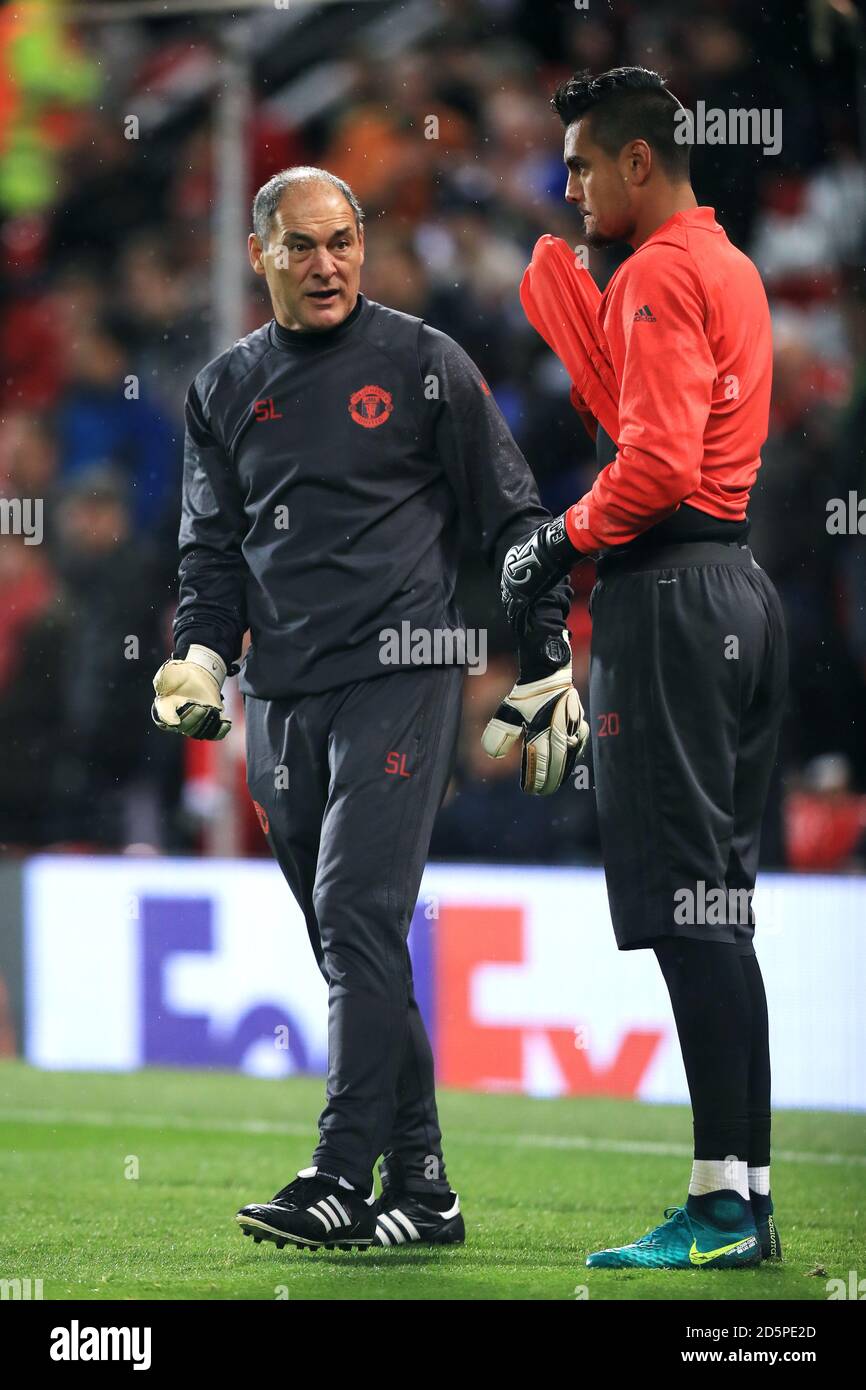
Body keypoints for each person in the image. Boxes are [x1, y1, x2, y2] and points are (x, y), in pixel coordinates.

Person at [151, 166, 588, 1252]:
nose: (326, 262)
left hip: (404, 674)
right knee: (355, 943)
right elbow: (210, 553)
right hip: (283, 701)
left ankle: (340, 1174)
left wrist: (543, 665)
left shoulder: (425, 363)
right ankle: (425, 1188)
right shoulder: (221, 390)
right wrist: (202, 658)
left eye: (341, 239)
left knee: (353, 916)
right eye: (300, 245)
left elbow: (515, 516)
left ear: (362, 242)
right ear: (260, 255)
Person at [501, 69, 788, 1271]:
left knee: (691, 914)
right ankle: (739, 1194)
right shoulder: (724, 264)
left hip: (669, 595)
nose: (564, 186)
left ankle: (725, 1211)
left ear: (633, 162)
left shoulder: (661, 271)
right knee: (714, 907)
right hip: (733, 587)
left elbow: (657, 463)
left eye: (576, 163)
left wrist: (552, 542)